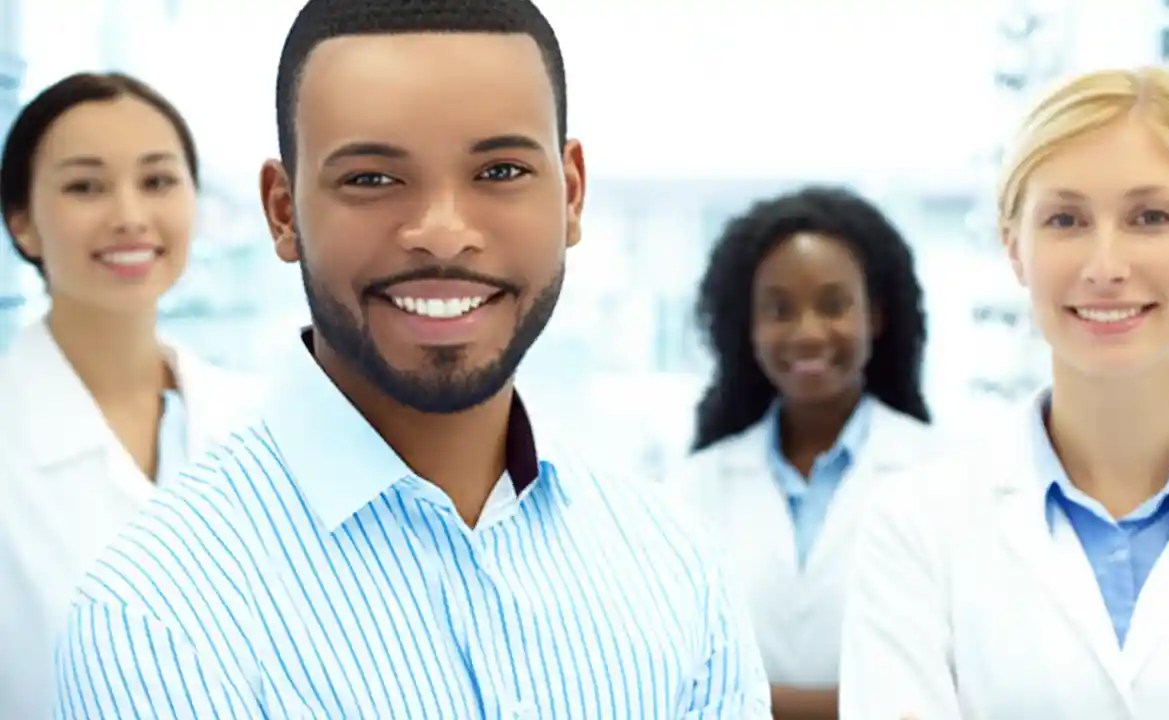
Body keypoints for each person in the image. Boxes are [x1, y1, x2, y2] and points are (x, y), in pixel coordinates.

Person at [51, 1, 771, 718]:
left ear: (572, 193)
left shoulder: (675, 566)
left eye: (500, 171)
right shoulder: (159, 616)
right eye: (371, 179)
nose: (444, 234)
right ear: (282, 211)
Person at [839, 67, 1169, 719]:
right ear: (1013, 243)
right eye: (1066, 219)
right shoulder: (916, 527)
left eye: (1150, 217)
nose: (1105, 266)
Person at [0, 72, 256, 720]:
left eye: (158, 181)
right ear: (22, 223)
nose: (130, 216)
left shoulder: (260, 426)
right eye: (85, 186)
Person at [666, 186, 935, 719]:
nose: (808, 333)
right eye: (779, 310)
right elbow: (676, 680)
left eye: (834, 305)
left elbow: (954, 683)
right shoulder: (691, 488)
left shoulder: (944, 473)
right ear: (747, 327)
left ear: (876, 316)